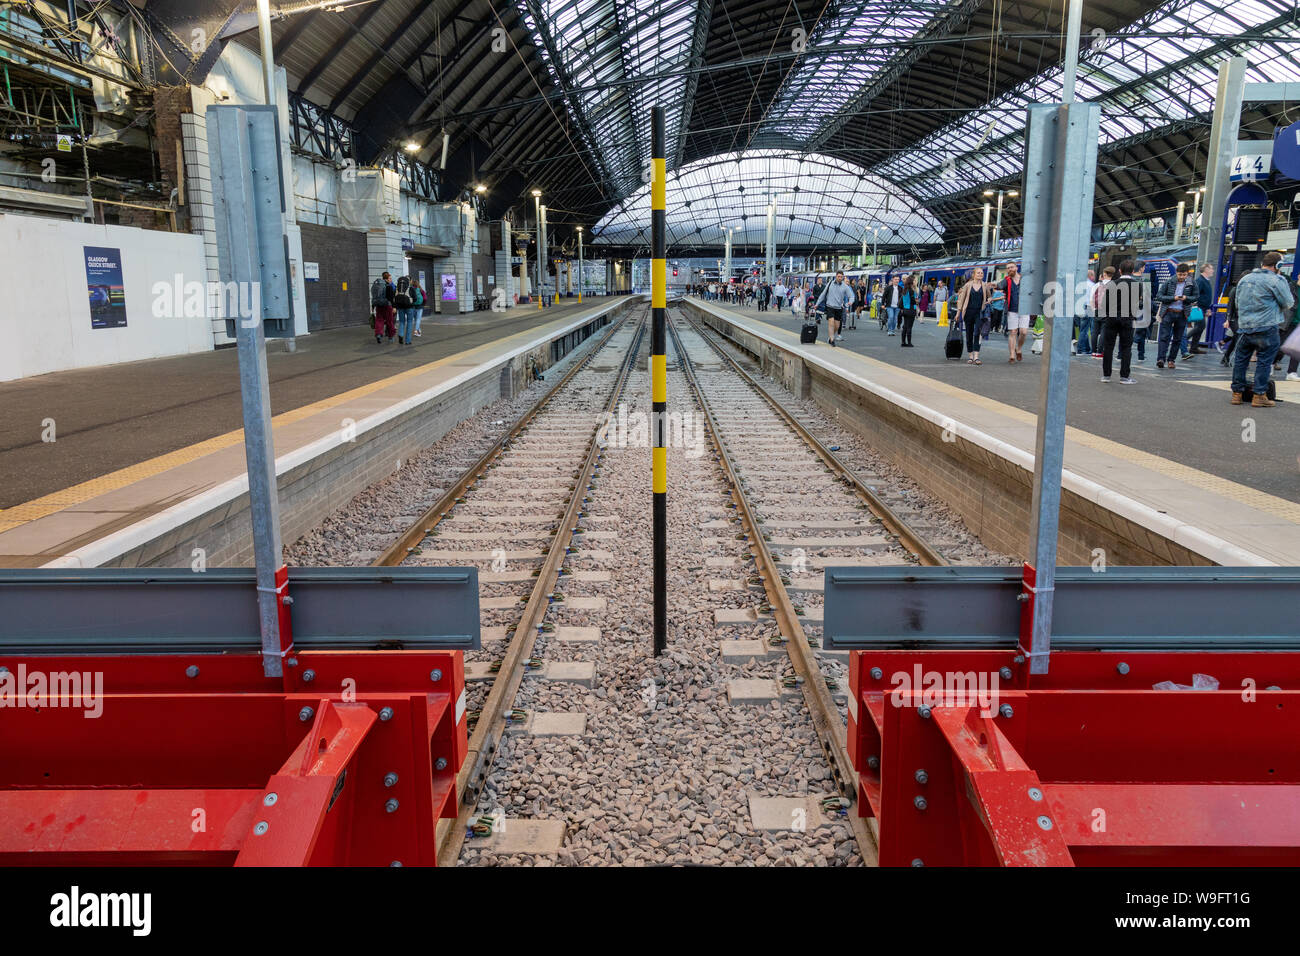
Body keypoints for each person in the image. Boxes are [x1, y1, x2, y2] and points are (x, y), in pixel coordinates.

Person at [1229, 251, 1294, 407]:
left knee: (1241, 361)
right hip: (1267, 327)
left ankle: (1237, 394)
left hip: (1245, 327)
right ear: (1278, 265)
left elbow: (1237, 304)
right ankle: (1259, 395)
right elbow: (1288, 303)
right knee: (1264, 362)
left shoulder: (1245, 279)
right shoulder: (1277, 280)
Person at [1098, 259, 1142, 384]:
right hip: (1127, 318)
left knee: (1108, 347)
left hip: (1111, 318)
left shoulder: (1112, 284)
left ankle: (1106, 375)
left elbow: (1104, 303)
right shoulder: (1137, 285)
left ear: (1120, 270)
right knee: (1126, 348)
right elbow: (1136, 303)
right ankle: (1124, 376)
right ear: (1133, 271)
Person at [1155, 262, 1193, 369]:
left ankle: (1171, 360)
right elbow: (1159, 296)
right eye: (1180, 274)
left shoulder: (1192, 284)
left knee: (1177, 338)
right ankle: (1161, 359)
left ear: (1187, 274)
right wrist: (1173, 298)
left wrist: (1186, 298)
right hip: (1168, 312)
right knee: (1164, 337)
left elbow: (1195, 296)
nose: (1181, 277)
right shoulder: (1169, 282)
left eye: (1184, 275)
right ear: (1176, 273)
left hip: (1182, 314)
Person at [954, 267, 993, 364]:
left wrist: (989, 300)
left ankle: (976, 356)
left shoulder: (984, 285)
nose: (980, 274)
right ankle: (970, 355)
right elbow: (961, 300)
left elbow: (989, 296)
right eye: (978, 273)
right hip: (968, 312)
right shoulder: (967, 285)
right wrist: (958, 313)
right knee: (969, 333)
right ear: (974, 275)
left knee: (977, 333)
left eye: (982, 273)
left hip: (979, 313)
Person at [1185, 262, 1215, 357]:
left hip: (1203, 308)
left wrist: (1208, 308)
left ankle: (1194, 347)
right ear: (1206, 270)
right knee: (1200, 326)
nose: (1212, 270)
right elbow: (1195, 294)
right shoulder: (1200, 281)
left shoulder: (1206, 280)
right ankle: (1183, 340)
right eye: (1211, 268)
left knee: (1200, 327)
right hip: (1199, 308)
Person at [1001, 263, 1028, 362]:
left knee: (1023, 332)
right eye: (1008, 268)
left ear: (1016, 268)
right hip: (1011, 309)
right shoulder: (1007, 280)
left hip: (1025, 308)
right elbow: (1000, 285)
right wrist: (993, 285)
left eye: (1011, 267)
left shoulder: (1024, 279)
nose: (1009, 269)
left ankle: (1019, 348)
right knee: (1013, 332)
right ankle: (1012, 354)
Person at [372, 271, 396, 344]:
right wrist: (394, 307)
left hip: (378, 306)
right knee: (390, 321)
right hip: (387, 306)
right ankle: (391, 337)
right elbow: (391, 298)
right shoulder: (388, 286)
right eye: (390, 278)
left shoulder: (377, 285)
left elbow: (374, 296)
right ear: (387, 279)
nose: (391, 280)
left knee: (379, 320)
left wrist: (373, 306)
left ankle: (378, 334)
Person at [898, 274, 919, 347]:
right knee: (909, 327)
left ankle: (903, 342)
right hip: (911, 309)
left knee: (905, 326)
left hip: (905, 309)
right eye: (915, 280)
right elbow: (913, 301)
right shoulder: (911, 290)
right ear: (912, 282)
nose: (916, 282)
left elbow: (901, 301)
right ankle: (909, 343)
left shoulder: (905, 289)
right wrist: (917, 301)